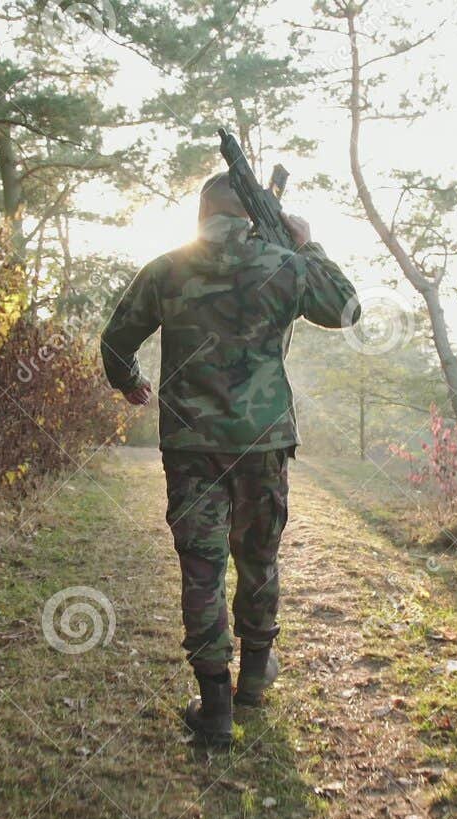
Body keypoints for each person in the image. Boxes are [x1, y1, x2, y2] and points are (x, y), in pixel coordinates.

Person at [99, 172, 361, 745]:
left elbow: (116, 342)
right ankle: (255, 685)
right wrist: (305, 242)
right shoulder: (284, 266)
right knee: (259, 559)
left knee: (203, 567)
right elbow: (344, 309)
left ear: (200, 214)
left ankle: (215, 708)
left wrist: (131, 382)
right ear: (251, 216)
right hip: (263, 443)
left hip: (192, 447)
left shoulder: (166, 269)